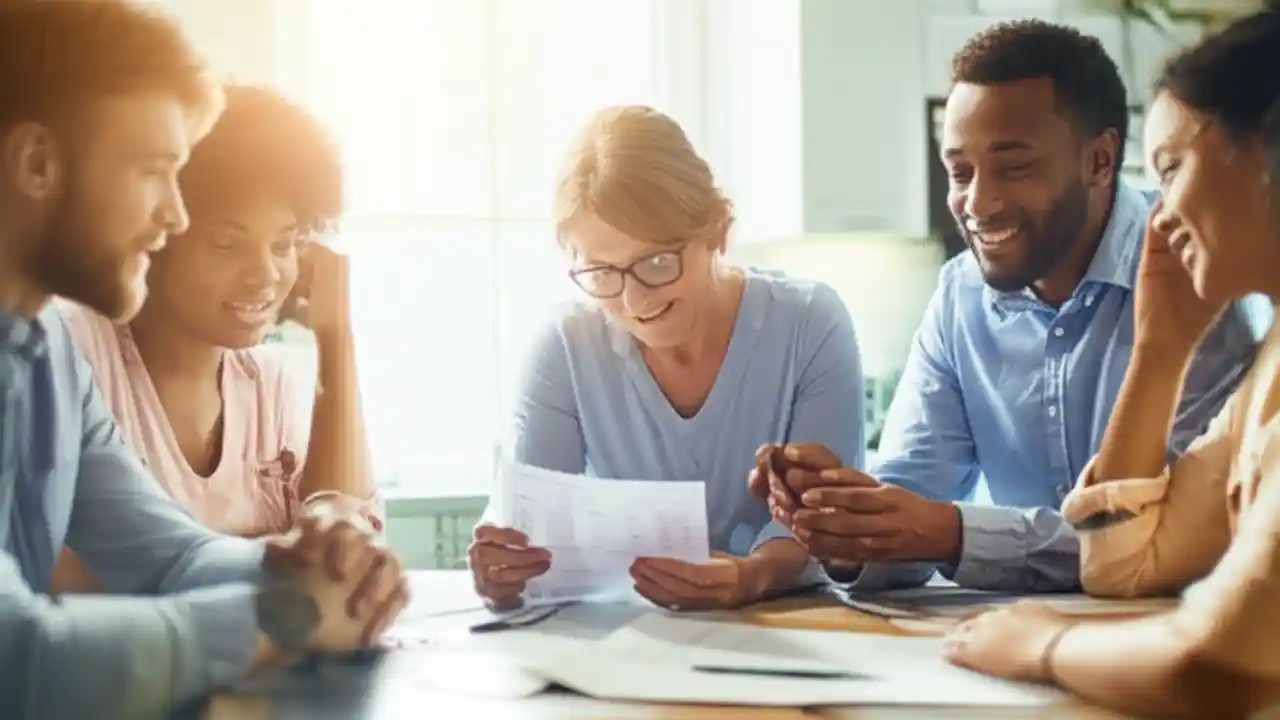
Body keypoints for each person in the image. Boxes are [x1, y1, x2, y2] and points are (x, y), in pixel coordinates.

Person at [0, 3, 406, 718]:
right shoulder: (80, 343)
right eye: (154, 171)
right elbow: (20, 658)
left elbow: (169, 557)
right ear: (37, 164)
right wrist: (283, 616)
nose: (175, 216)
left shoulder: (47, 353)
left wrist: (319, 567)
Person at [751, 19, 1257, 593]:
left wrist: (951, 534)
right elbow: (911, 501)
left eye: (1015, 167)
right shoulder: (959, 296)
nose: (978, 202)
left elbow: (1167, 540)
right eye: (959, 171)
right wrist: (844, 519)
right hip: (1023, 630)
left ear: (1100, 160)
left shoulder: (1196, 274)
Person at [946, 10, 1280, 719]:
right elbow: (1124, 568)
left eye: (1172, 169)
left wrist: (1043, 646)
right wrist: (1160, 352)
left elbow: (1211, 667)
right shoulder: (1269, 374)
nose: (1158, 216)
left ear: (1263, 155)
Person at [468, 106, 864, 610]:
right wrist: (504, 564)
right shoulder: (566, 346)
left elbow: (829, 520)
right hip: (631, 630)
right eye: (602, 272)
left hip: (786, 623)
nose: (634, 301)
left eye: (656, 262)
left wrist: (752, 576)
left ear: (717, 230)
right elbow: (531, 516)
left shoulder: (809, 323)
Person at [51, 84, 378, 592]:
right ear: (157, 235)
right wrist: (277, 566)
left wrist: (337, 337)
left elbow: (348, 546)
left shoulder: (269, 384)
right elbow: (46, 567)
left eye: (284, 245)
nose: (264, 274)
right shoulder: (73, 353)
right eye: (228, 244)